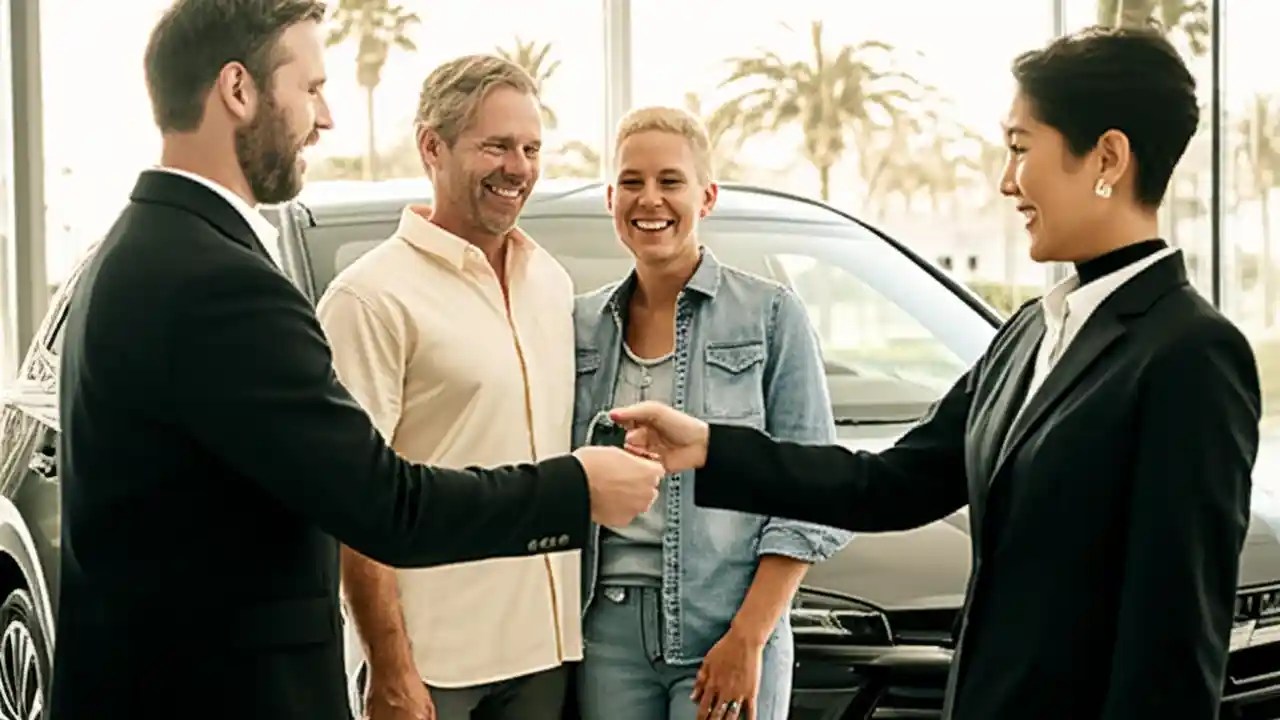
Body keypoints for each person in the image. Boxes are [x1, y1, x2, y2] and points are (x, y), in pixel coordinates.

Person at [611, 26, 1261, 720]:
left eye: (1019, 149)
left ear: (1107, 156)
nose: (1007, 182)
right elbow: (889, 486)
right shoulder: (1032, 332)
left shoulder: (1190, 355)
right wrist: (711, 448)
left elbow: (1173, 646)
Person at [52, 2, 663, 718]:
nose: (328, 116)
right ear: (239, 90)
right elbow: (379, 503)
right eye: (310, 87)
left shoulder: (142, 247)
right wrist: (575, 488)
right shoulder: (219, 281)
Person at [317, 55, 581, 720]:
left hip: (546, 657)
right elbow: (352, 503)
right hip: (434, 666)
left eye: (530, 148)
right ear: (431, 146)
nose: (517, 167)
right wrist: (391, 667)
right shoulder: (369, 298)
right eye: (494, 146)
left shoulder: (550, 281)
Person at [572, 106, 852, 720]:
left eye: (671, 181)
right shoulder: (580, 326)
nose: (651, 200)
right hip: (606, 638)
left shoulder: (770, 315)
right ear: (610, 196)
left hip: (724, 625)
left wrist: (749, 637)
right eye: (632, 182)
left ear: (707, 195)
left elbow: (813, 495)